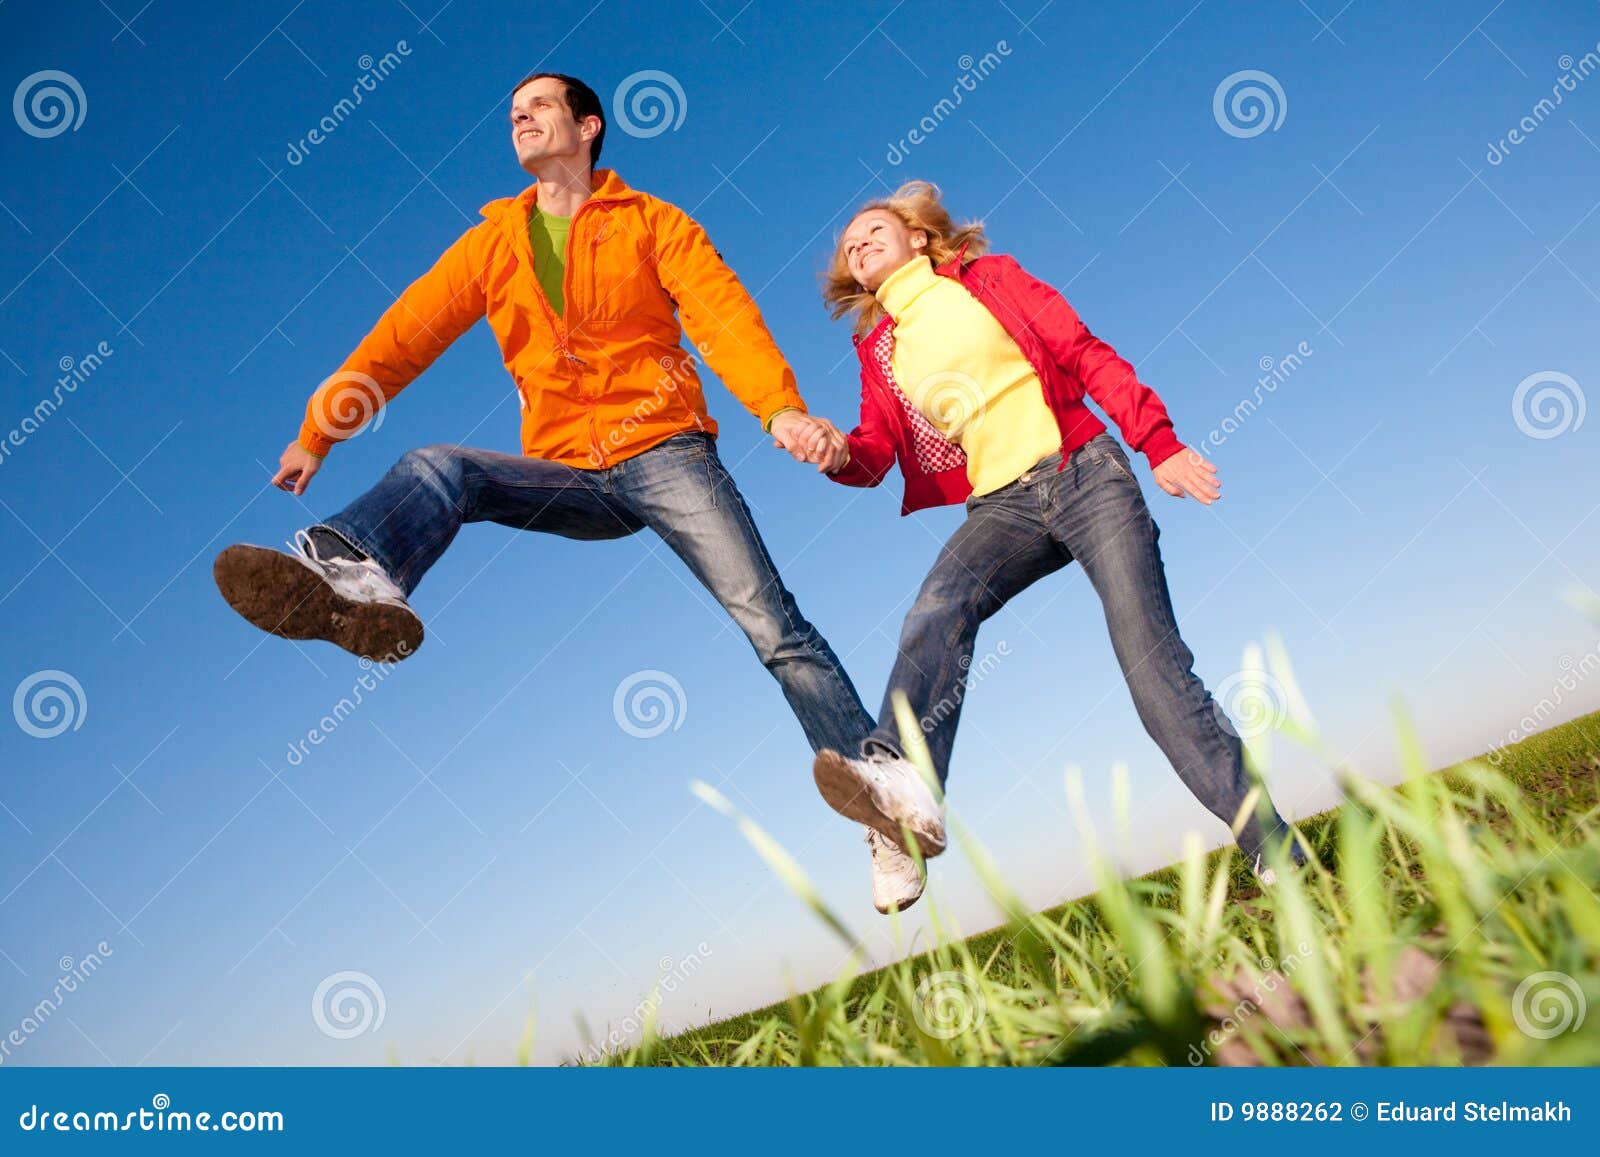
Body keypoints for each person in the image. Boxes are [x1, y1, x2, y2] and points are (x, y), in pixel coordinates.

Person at [213, 72, 879, 793]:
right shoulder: (493, 244)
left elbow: (724, 319)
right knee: (440, 466)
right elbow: (403, 337)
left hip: (667, 453)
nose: (520, 120)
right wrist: (319, 432)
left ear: (588, 127)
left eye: (538, 107)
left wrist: (779, 408)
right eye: (512, 115)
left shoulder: (653, 222)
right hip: (571, 476)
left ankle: (884, 789)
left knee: (771, 624)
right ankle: (356, 576)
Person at [804, 181, 1300, 913]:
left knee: (1155, 672)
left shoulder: (987, 279)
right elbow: (875, 451)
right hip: (1001, 508)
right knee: (935, 610)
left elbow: (1081, 351)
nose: (859, 245)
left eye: (873, 230)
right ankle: (902, 789)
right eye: (850, 246)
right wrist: (835, 450)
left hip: (1084, 473)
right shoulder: (880, 349)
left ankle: (1273, 847)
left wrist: (1157, 441)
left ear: (918, 237)